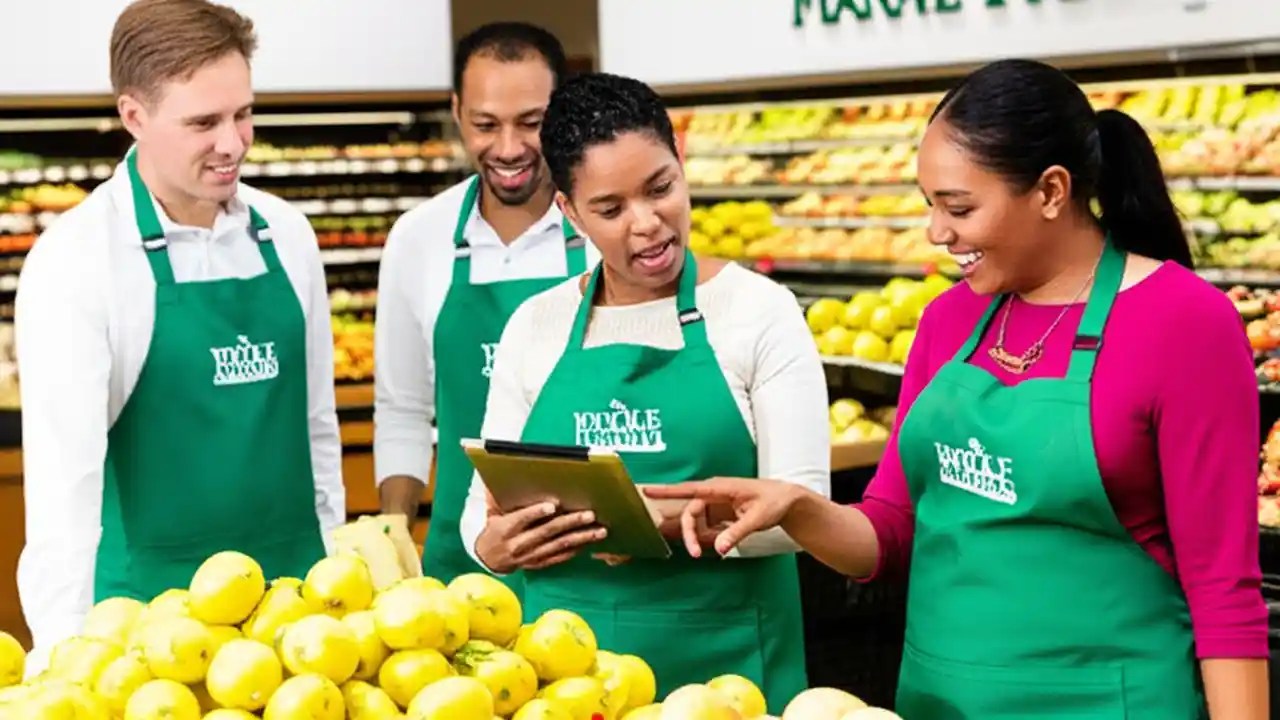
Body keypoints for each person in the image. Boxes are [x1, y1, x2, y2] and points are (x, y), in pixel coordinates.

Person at [647, 59, 1269, 719]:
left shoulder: (1185, 322)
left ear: (1052, 191)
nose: (936, 233)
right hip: (937, 703)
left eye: (959, 207)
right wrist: (797, 509)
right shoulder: (949, 321)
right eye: (929, 205)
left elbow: (1224, 589)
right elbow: (889, 532)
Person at [458, 72, 831, 712]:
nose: (648, 224)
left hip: (728, 670)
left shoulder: (758, 311)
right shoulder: (535, 325)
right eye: (610, 209)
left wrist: (656, 526)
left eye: (661, 189)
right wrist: (492, 550)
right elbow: (478, 513)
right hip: (567, 679)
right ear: (569, 213)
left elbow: (805, 515)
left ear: (681, 166)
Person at [15, 0, 343, 674]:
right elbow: (62, 486)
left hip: (298, 618)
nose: (234, 143)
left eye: (243, 114)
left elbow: (317, 429)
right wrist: (64, 659)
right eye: (203, 122)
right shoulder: (78, 258)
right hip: (149, 633)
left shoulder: (289, 236)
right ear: (133, 116)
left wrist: (338, 568)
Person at [373, 22, 601, 593]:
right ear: (457, 113)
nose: (507, 148)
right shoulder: (417, 239)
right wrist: (394, 536)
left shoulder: (605, 230)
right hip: (461, 560)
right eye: (485, 124)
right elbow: (402, 408)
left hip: (593, 559)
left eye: (532, 122)